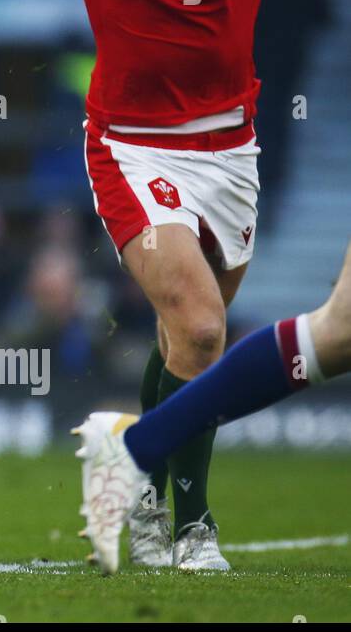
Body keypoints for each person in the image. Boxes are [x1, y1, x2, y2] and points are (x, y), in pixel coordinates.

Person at [53, 0, 311, 569]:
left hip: (229, 152)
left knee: (187, 341)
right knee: (203, 327)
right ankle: (189, 522)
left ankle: (141, 488)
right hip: (129, 145)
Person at [75, 240, 351, 575]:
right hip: (155, 185)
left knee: (189, 327)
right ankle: (170, 496)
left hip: (236, 186)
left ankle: (134, 452)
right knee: (201, 329)